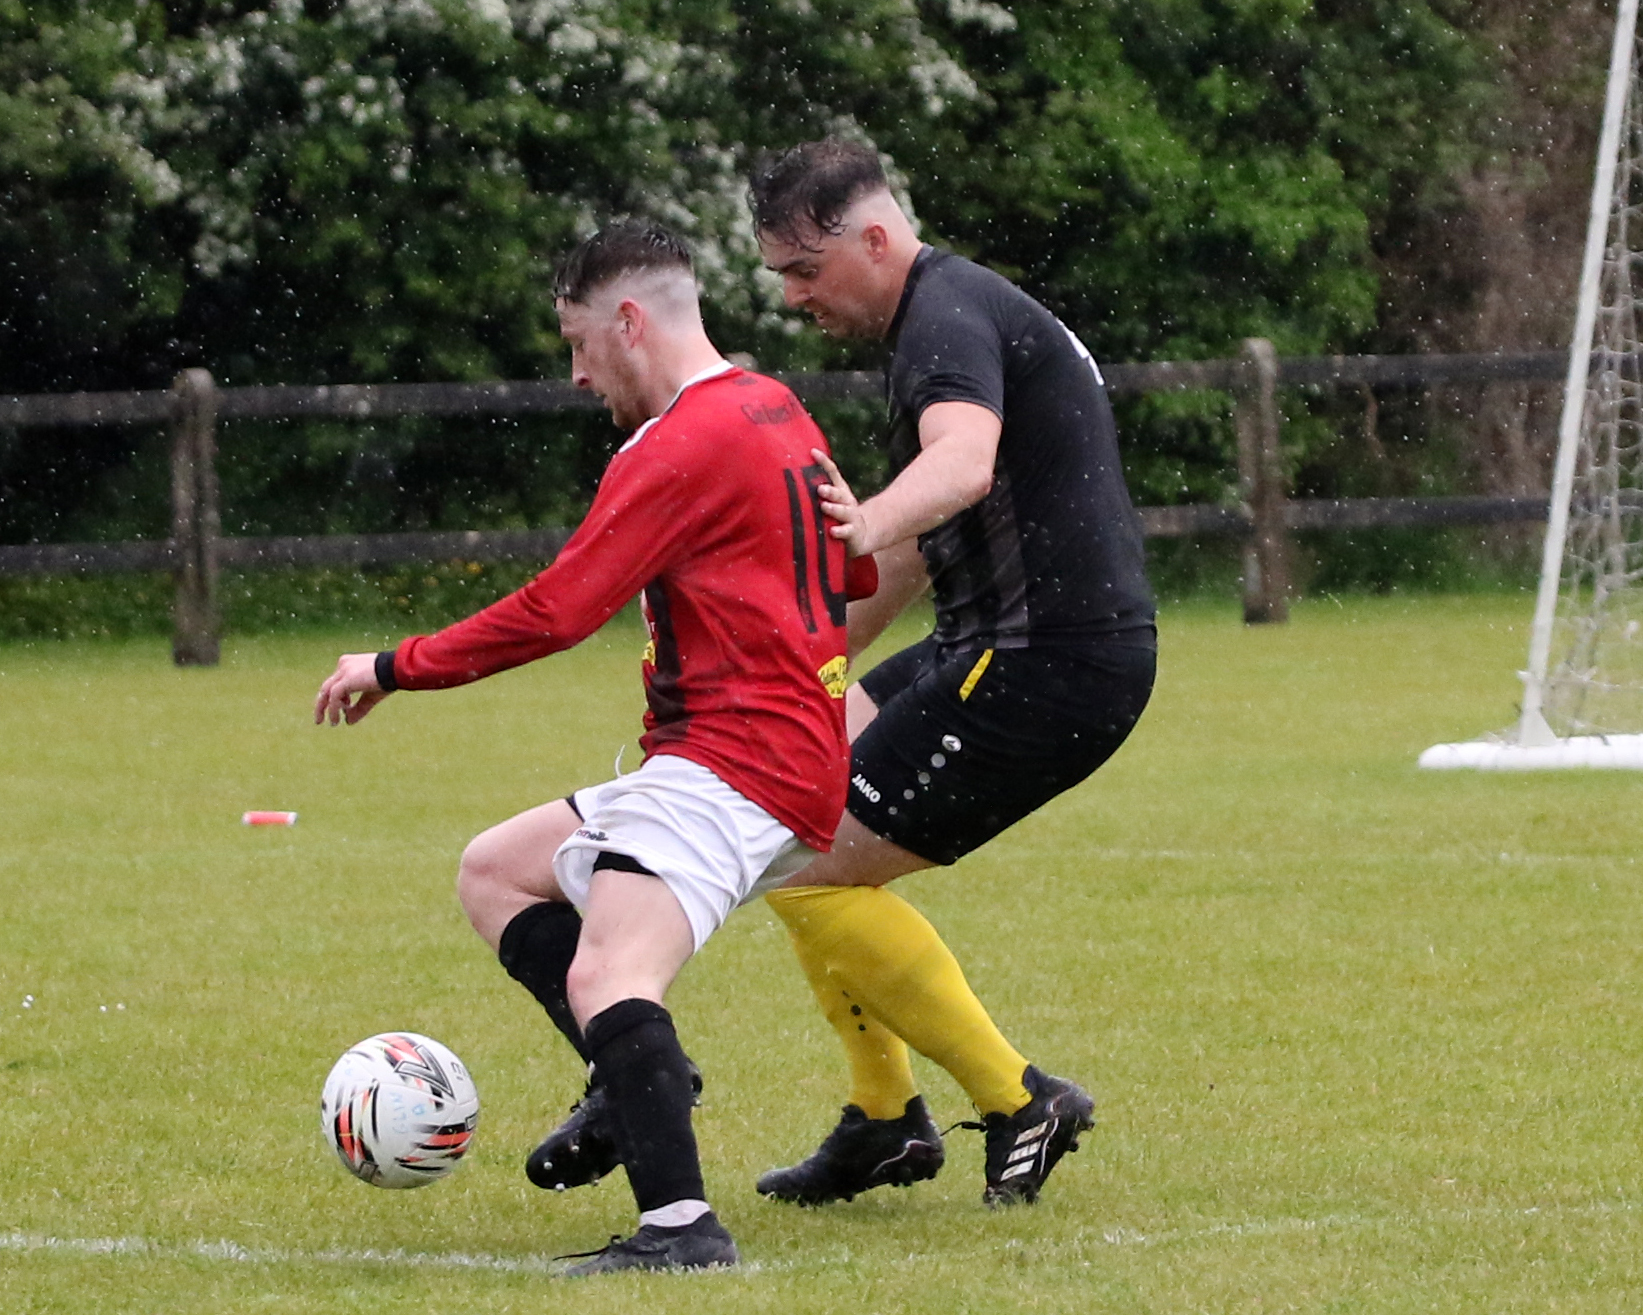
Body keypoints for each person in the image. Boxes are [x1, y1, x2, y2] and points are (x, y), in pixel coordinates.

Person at [314, 221, 874, 1275]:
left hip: (738, 755)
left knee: (611, 967)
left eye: (578, 342)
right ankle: (634, 1084)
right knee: (496, 871)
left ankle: (679, 1228)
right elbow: (844, 573)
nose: (574, 373)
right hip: (760, 749)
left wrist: (393, 665)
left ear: (628, 322)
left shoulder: (682, 440)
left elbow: (558, 609)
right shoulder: (772, 407)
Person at [742, 138, 1159, 1208]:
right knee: (773, 805)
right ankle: (882, 1122)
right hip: (1003, 641)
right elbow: (933, 537)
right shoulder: (950, 312)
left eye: (803, 270)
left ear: (873, 239)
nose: (793, 297)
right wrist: (807, 657)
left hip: (1046, 659)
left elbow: (957, 469)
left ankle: (1016, 1099)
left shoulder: (942, 322)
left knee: (801, 860)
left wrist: (858, 516)